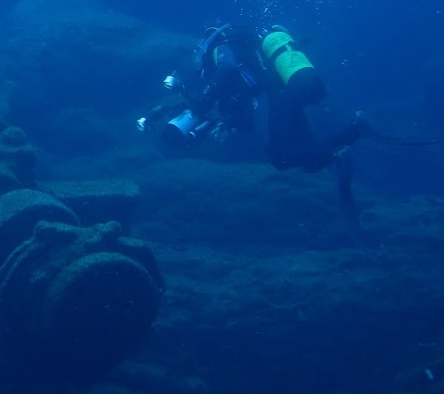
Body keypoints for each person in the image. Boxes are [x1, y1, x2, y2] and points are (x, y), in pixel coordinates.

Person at [137, 23, 376, 236]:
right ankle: (356, 130)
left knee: (280, 157)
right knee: (311, 159)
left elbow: (229, 70)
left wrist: (202, 105)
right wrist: (228, 123)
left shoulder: (222, 48)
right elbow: (248, 109)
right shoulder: (249, 57)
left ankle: (337, 155)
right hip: (283, 98)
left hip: (267, 100)